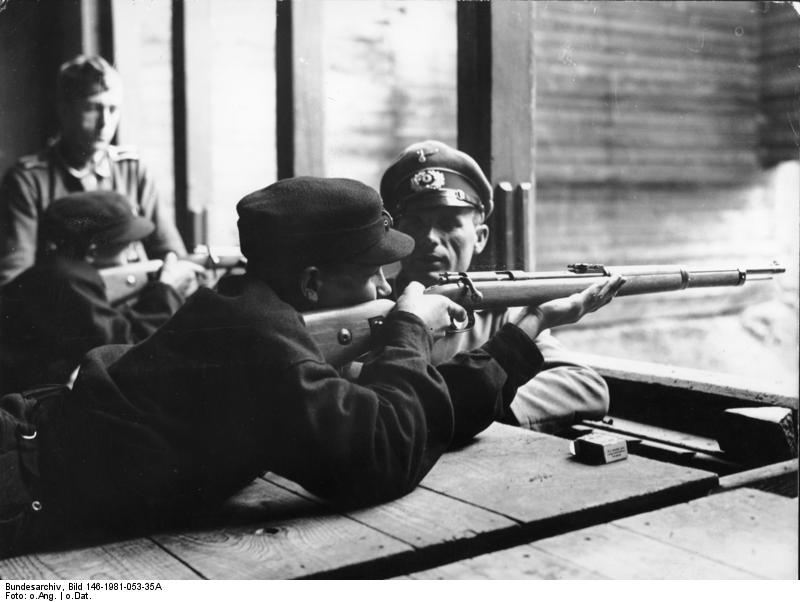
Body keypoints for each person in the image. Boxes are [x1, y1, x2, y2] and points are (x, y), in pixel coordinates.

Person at [0, 177, 622, 557]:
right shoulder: (258, 340)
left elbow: (400, 414)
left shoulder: (254, 310)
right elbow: (379, 453)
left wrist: (529, 331)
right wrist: (409, 328)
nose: (387, 281)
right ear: (314, 282)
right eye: (373, 271)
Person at [381, 140, 613, 433]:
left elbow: (585, 386)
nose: (429, 238)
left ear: (479, 238)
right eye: (413, 224)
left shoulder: (500, 314)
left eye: (448, 223)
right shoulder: (371, 311)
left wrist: (485, 407)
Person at [0, 55, 186, 287]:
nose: (105, 123)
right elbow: (14, 278)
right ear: (64, 109)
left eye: (113, 109)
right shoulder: (28, 181)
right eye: (92, 108)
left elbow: (170, 253)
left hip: (136, 306)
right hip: (66, 312)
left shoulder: (132, 171)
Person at [0, 191, 200, 395]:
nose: (133, 254)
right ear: (93, 251)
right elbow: (127, 351)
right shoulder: (69, 280)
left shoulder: (56, 272)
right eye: (127, 244)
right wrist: (166, 289)